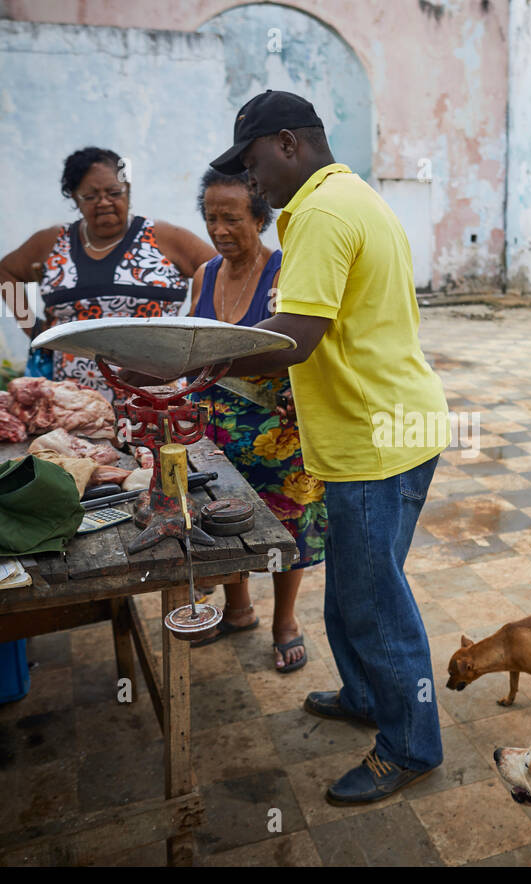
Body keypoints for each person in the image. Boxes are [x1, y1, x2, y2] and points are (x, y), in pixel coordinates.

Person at [206, 91, 450, 806]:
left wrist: (197, 359)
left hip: (374, 440)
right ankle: (367, 696)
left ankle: (409, 744)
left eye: (253, 168)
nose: (253, 188)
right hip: (392, 426)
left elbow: (293, 339)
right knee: (353, 589)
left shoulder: (314, 211)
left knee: (375, 602)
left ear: (288, 144)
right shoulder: (357, 197)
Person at [186, 167, 327, 671]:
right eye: (211, 218)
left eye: (232, 218)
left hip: (279, 430)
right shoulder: (204, 275)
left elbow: (301, 347)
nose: (220, 230)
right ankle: (237, 608)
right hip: (214, 427)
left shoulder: (285, 271)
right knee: (224, 518)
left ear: (261, 218)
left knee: (289, 526)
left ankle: (284, 620)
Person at [0, 146, 214, 401]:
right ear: (75, 198)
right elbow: (5, 272)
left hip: (153, 401)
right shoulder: (52, 242)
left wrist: (191, 323)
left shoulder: (165, 237)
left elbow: (218, 272)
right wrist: (32, 328)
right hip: (73, 402)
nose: (104, 202)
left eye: (114, 192)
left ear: (128, 191)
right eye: (90, 196)